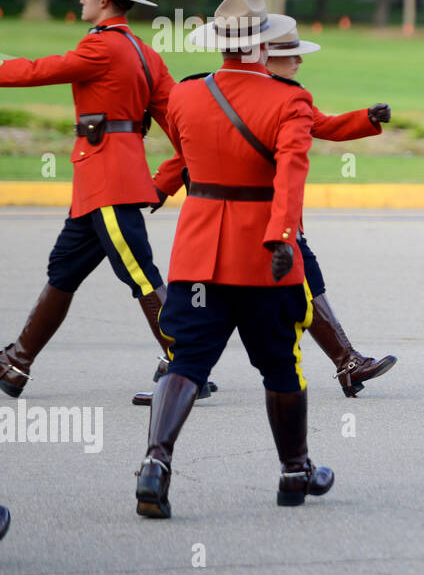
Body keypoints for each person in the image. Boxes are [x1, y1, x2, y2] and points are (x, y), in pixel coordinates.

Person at [134, 0, 331, 517]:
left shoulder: (186, 95)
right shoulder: (289, 99)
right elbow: (292, 175)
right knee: (281, 367)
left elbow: (185, 155)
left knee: (186, 361)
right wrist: (283, 237)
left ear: (220, 44)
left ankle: (155, 463)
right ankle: (294, 471)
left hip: (198, 251)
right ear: (264, 47)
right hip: (261, 255)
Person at [137, 24, 397, 403]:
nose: (299, 60)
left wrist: (364, 119)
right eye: (291, 54)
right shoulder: (265, 96)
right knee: (262, 313)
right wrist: (160, 185)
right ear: (265, 56)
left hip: (268, 222)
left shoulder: (285, 99)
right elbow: (194, 153)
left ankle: (346, 362)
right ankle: (176, 371)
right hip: (265, 221)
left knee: (296, 288)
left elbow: (319, 125)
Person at [0, 0, 181, 400]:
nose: (81, 0)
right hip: (103, 183)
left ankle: (187, 364)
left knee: (140, 274)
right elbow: (180, 122)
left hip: (109, 184)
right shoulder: (144, 51)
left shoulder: (101, 47)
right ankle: (16, 364)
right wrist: (167, 177)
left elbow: (38, 71)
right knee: (63, 272)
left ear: (103, 1)